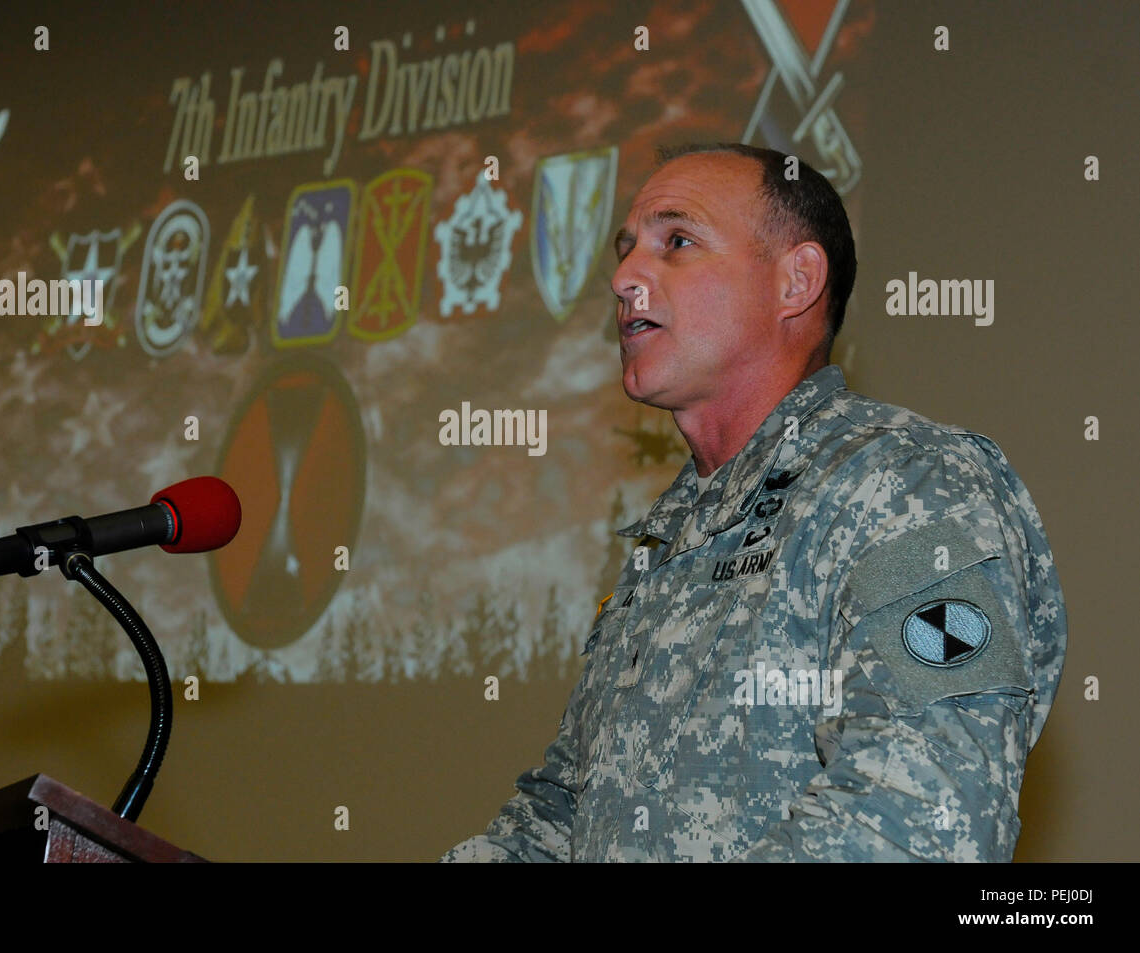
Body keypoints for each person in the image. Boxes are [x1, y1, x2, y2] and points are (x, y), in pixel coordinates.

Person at [440, 143, 1066, 862]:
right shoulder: (668, 536)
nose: (624, 278)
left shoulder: (907, 484)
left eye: (676, 242)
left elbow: (921, 817)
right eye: (626, 250)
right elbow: (565, 815)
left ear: (796, 281)